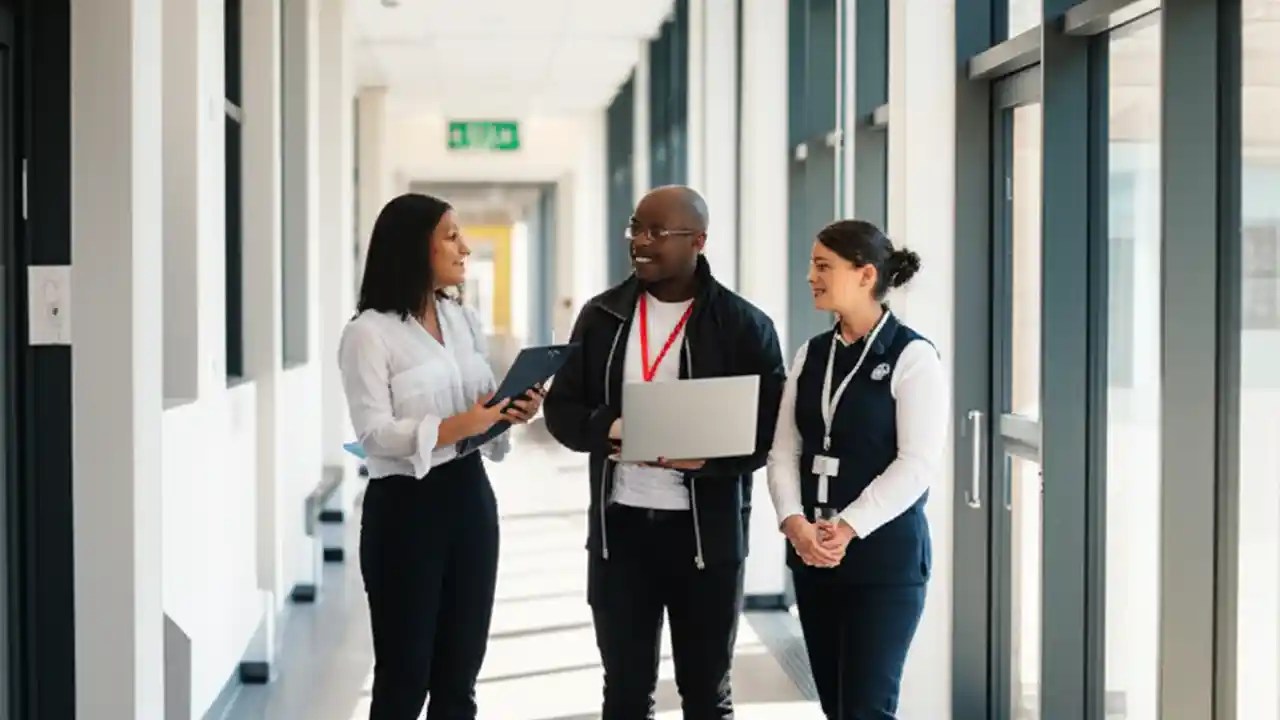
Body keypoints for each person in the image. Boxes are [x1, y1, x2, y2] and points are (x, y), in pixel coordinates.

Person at [543, 185, 786, 719]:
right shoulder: (602, 316)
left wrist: (712, 461)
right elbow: (561, 411)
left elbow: (770, 431)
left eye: (657, 232)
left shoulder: (744, 326)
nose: (640, 242)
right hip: (620, 533)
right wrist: (610, 429)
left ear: (699, 240)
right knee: (625, 692)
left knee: (706, 694)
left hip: (705, 540)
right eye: (636, 228)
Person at [338, 193, 544, 720]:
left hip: (470, 499)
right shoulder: (367, 334)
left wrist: (507, 410)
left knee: (459, 680)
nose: (465, 248)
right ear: (416, 248)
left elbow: (480, 404)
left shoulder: (463, 319)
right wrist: (463, 424)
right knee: (404, 682)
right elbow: (375, 435)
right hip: (405, 510)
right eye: (451, 236)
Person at [766, 219, 946, 719]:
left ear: (866, 275)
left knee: (866, 709)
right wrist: (794, 523)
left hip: (882, 563)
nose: (811, 276)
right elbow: (784, 451)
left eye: (823, 266)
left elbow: (917, 464)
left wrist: (846, 527)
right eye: (811, 265)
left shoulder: (912, 356)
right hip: (813, 555)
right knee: (836, 707)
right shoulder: (812, 354)